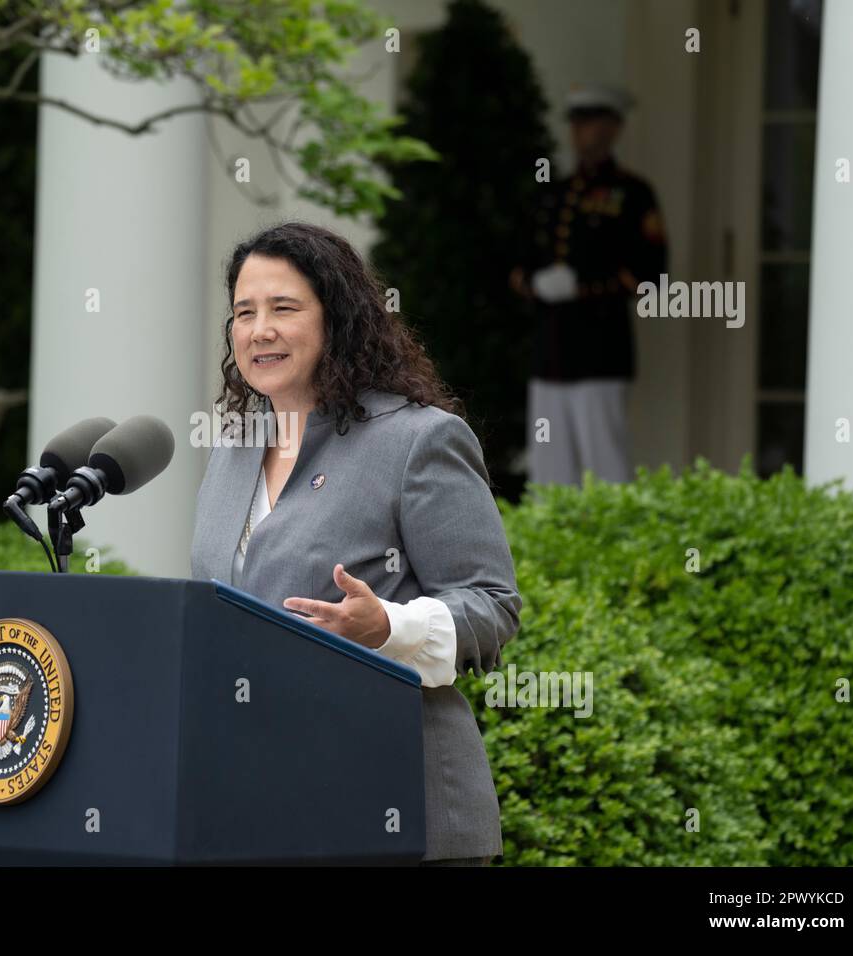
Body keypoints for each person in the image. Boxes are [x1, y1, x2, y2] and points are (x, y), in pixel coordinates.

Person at [190, 221, 522, 865]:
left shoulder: (417, 441)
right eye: (244, 312)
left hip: (401, 812)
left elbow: (493, 604)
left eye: (284, 308)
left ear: (336, 318)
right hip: (264, 812)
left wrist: (389, 627)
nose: (260, 330)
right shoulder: (232, 450)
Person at [511, 84, 668, 485]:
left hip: (601, 350)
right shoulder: (553, 194)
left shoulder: (633, 194)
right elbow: (519, 264)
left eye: (594, 121)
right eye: (578, 122)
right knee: (549, 468)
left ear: (615, 127)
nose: (584, 130)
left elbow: (650, 275)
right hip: (550, 352)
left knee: (607, 464)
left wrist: (580, 288)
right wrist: (535, 284)